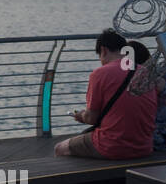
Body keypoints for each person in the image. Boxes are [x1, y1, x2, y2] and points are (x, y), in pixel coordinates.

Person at [55, 29, 155, 159]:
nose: (101, 61)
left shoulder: (100, 74)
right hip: (144, 146)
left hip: (111, 145)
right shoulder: (145, 72)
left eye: (100, 56)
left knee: (59, 148)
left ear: (103, 50)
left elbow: (91, 118)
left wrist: (80, 116)